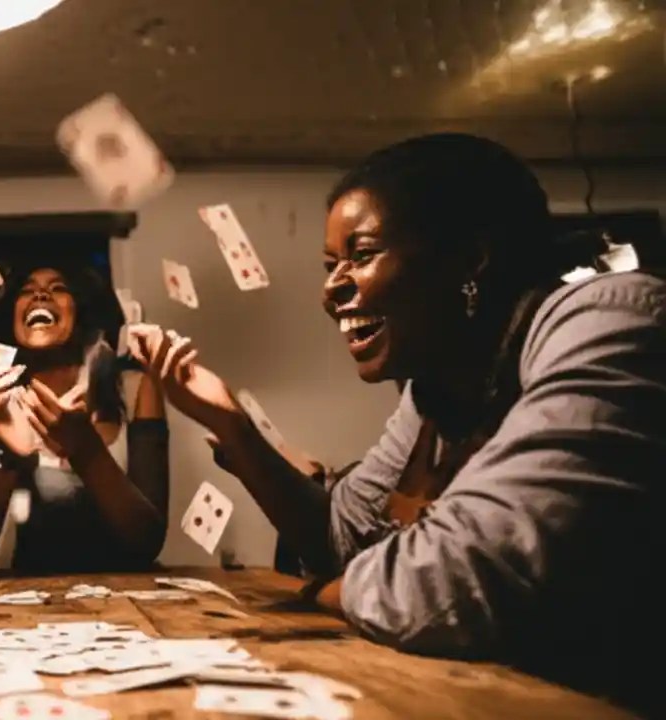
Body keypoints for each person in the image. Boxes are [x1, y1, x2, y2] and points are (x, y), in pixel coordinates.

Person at [131, 133, 663, 713]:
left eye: (360, 256)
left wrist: (330, 593)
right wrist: (230, 423)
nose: (332, 290)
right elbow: (341, 538)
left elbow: (453, 581)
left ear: (469, 259)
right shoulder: (435, 390)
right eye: (331, 266)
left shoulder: (612, 321)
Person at [0, 263, 169, 572]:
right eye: (27, 290)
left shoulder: (136, 389)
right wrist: (11, 458)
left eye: (58, 288)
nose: (40, 294)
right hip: (28, 598)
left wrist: (86, 451)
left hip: (126, 600)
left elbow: (148, 540)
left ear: (80, 310)